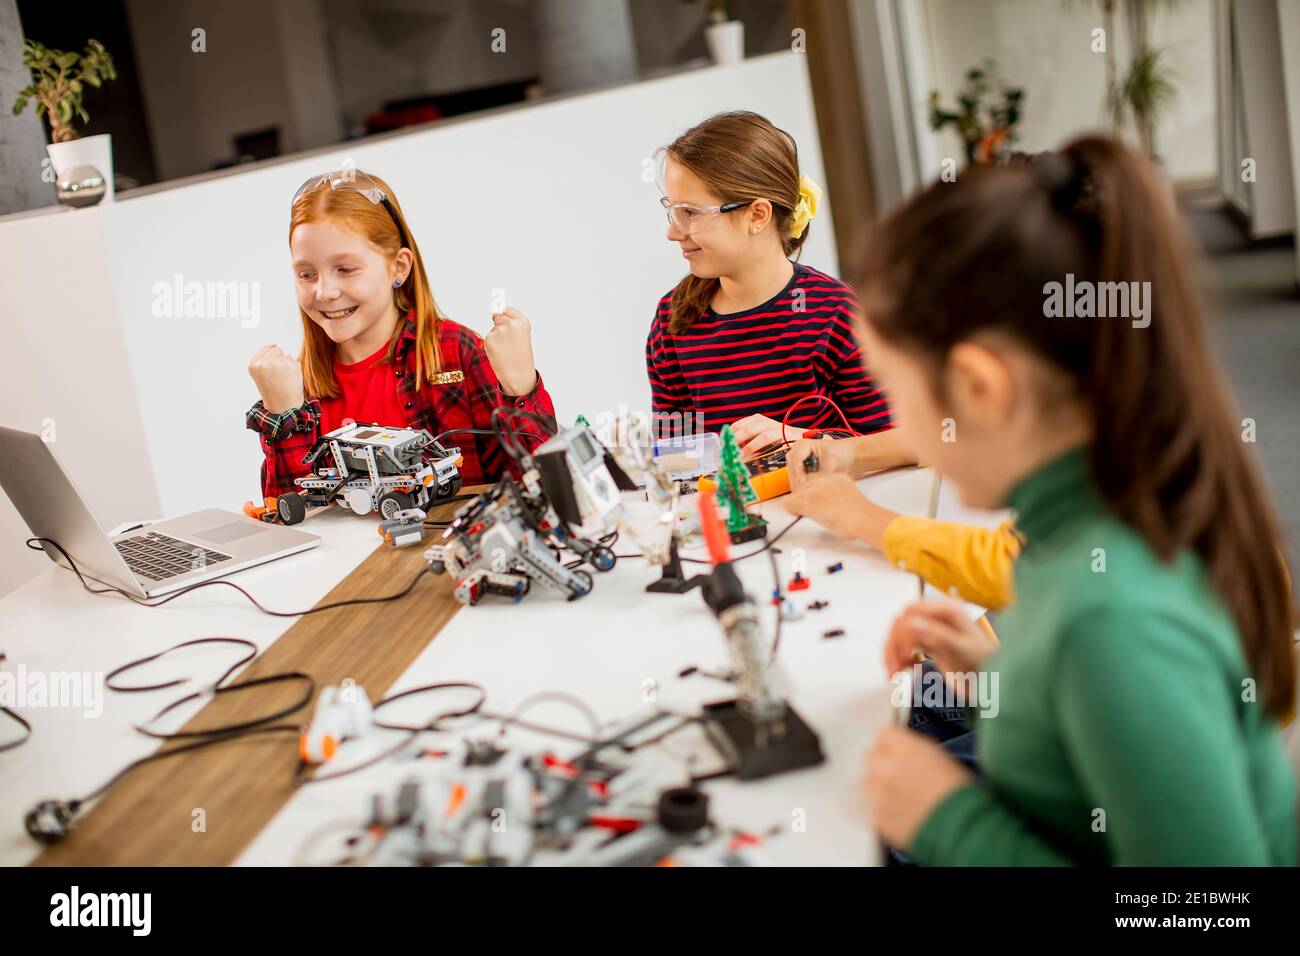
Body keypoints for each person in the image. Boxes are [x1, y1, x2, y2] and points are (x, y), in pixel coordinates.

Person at [856, 137, 1296, 865]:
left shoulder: (1112, 619)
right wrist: (996, 682)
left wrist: (948, 822)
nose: (897, 429)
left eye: (893, 392)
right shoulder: (1088, 520)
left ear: (979, 387)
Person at [246, 169, 555, 499]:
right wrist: (285, 419)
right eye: (307, 274)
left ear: (399, 267)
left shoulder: (457, 352)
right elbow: (292, 527)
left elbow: (543, 493)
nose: (324, 292)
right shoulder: (298, 389)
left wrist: (521, 388)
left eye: (346, 269)